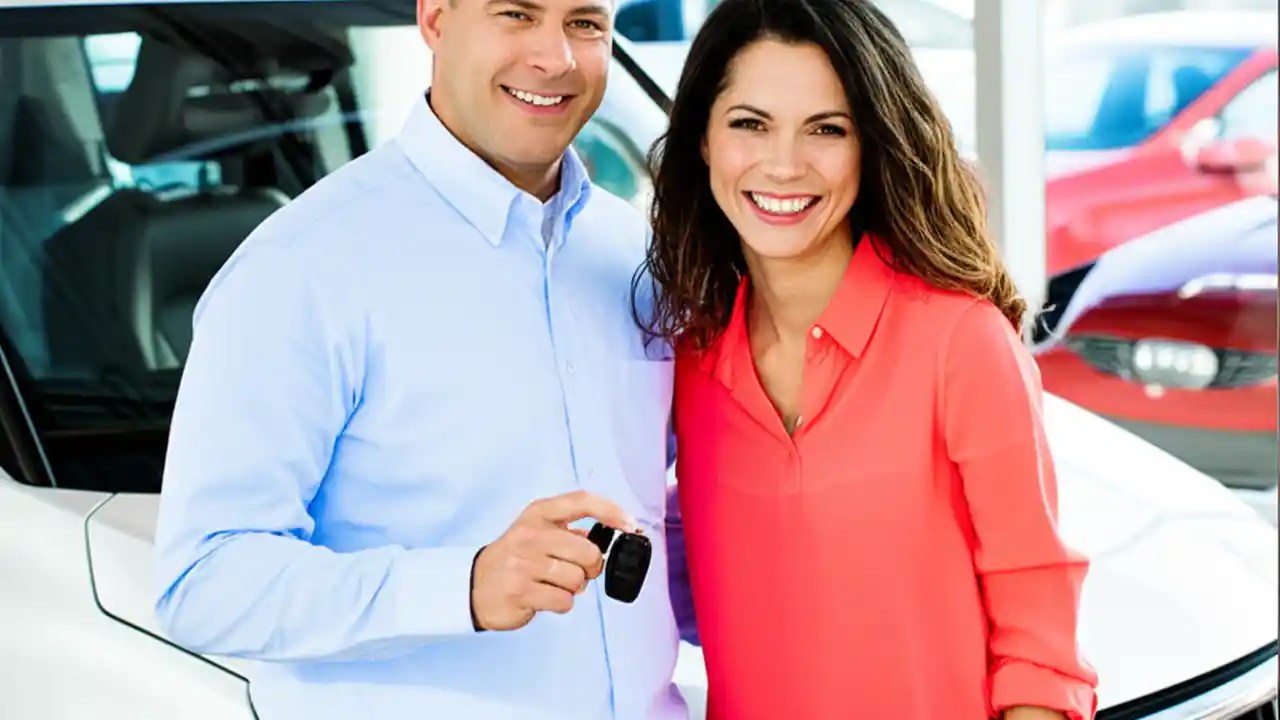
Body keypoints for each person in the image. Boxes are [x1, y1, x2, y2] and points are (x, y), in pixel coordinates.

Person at [153, 1, 688, 718]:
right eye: (517, 13)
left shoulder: (640, 259)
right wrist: (463, 586)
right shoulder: (300, 269)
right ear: (435, 18)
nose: (555, 57)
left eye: (585, 23)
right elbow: (202, 581)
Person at [637, 0, 1100, 718]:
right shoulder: (689, 361)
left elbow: (1040, 647)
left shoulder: (960, 342)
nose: (783, 165)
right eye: (750, 124)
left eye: (827, 129)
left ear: (872, 145)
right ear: (703, 139)